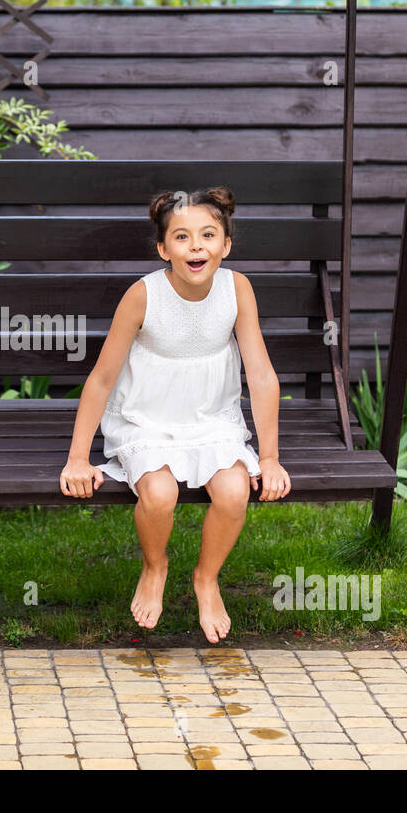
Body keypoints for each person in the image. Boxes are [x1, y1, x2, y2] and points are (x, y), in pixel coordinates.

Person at [59, 186, 291, 643]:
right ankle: (155, 565)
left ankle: (206, 577)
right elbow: (103, 379)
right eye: (182, 237)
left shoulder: (236, 289)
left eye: (208, 235)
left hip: (212, 420)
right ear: (164, 249)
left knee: (232, 491)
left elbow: (262, 376)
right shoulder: (143, 295)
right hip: (147, 421)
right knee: (160, 494)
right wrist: (77, 458)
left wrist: (268, 458)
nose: (196, 246)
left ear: (225, 245)